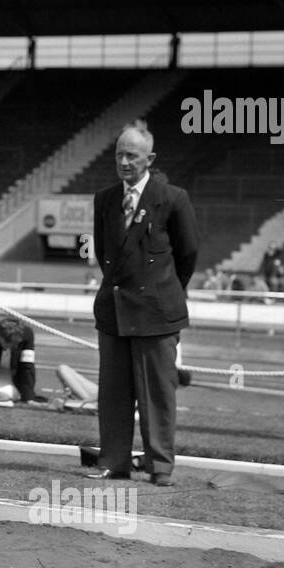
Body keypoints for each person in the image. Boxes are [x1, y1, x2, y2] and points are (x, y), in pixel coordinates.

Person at [87, 121, 198, 487]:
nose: (123, 161)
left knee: (157, 396)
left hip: (157, 312)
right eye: (119, 154)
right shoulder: (104, 199)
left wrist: (165, 292)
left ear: (148, 159)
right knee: (114, 394)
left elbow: (188, 255)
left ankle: (160, 466)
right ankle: (114, 461)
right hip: (115, 311)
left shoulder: (173, 198)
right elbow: (106, 254)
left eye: (131, 155)